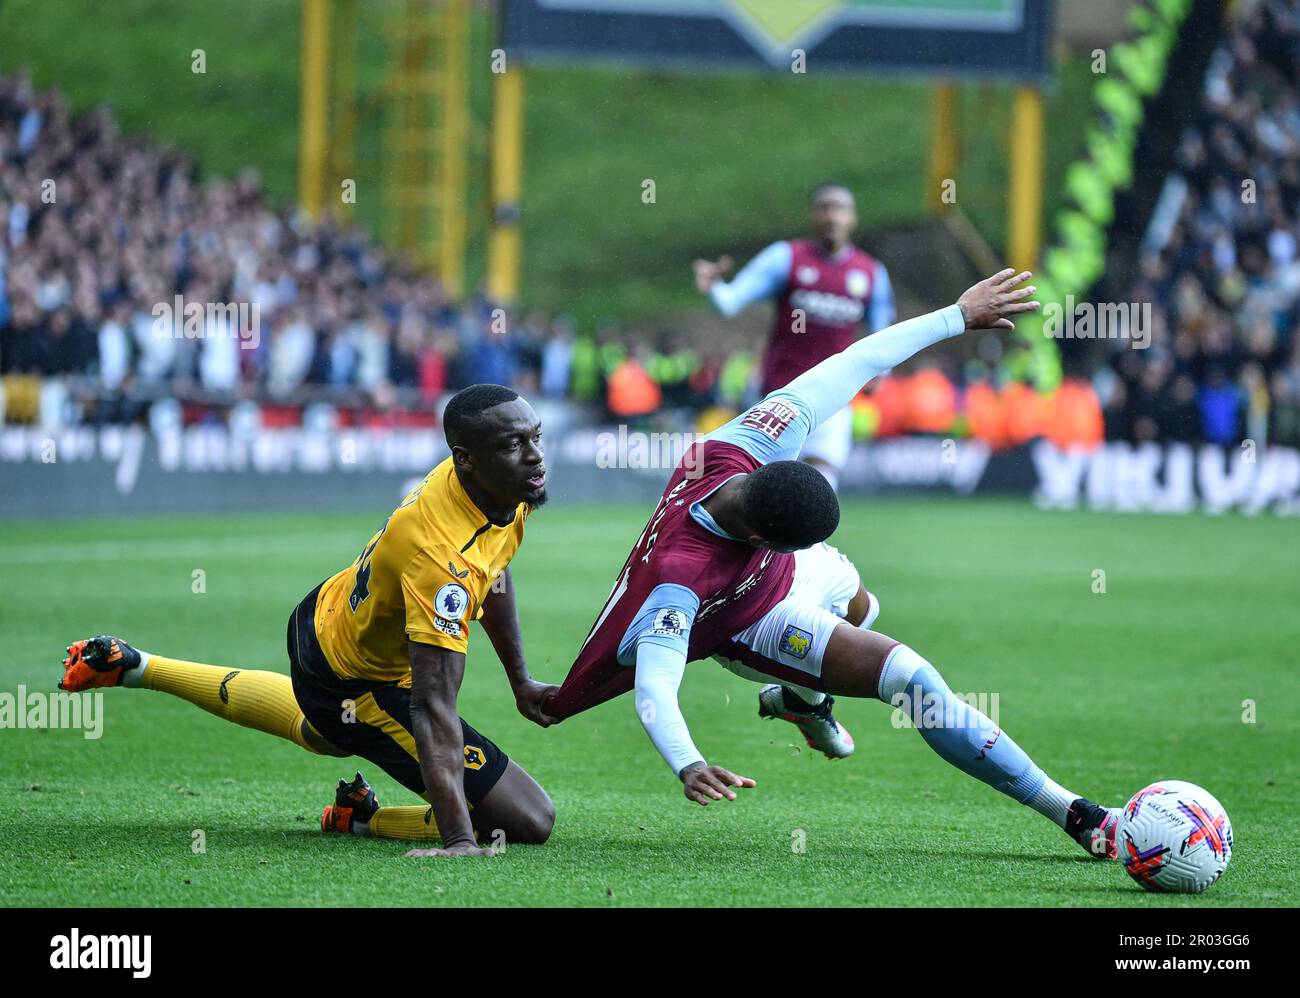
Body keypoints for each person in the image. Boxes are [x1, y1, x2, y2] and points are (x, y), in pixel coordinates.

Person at [540, 270, 1121, 859]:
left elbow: (857, 360)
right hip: (745, 617)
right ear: (764, 537)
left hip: (792, 570)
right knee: (913, 682)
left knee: (865, 605)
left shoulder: (746, 443)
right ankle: (1076, 814)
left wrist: (957, 314)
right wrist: (688, 763)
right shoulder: (680, 577)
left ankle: (801, 699)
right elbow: (656, 686)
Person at [58, 384, 558, 859]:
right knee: (527, 819)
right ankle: (365, 819)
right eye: (514, 444)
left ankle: (137, 666)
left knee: (329, 733)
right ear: (465, 458)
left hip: (330, 619)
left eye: (535, 436)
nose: (535, 455)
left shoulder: (496, 487)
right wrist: (459, 843)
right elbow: (429, 705)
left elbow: (491, 567)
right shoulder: (440, 555)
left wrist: (520, 681)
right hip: (354, 679)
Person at [693, 183, 896, 492]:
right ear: (813, 216)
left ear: (852, 218)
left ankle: (813, 541)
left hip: (834, 396)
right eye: (824, 208)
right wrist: (713, 287)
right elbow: (730, 302)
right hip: (780, 393)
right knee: (773, 488)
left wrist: (883, 371)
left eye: (840, 209)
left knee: (820, 485)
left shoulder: (870, 273)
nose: (832, 216)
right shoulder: (786, 258)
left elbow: (883, 334)